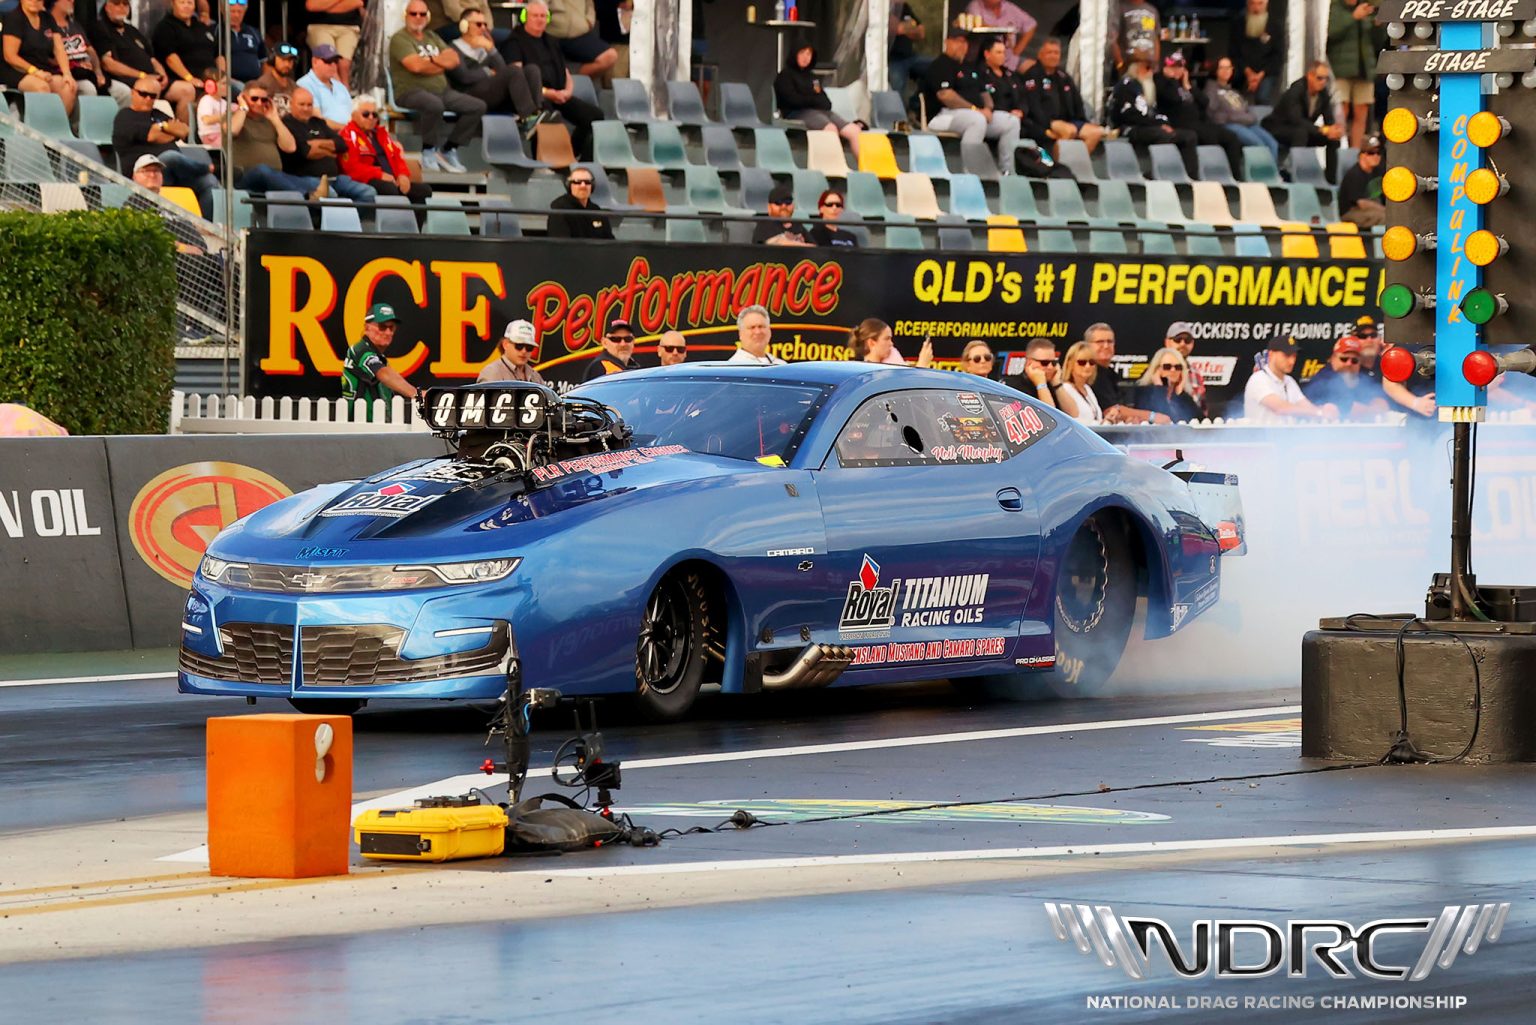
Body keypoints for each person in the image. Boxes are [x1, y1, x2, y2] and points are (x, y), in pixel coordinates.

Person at [390, 0, 486, 172]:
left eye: (422, 14)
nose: (418, 18)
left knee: (477, 106)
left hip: (442, 90)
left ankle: (449, 148)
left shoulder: (432, 36)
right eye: (414, 14)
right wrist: (440, 64)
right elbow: (415, 66)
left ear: (428, 16)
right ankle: (428, 150)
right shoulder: (400, 39)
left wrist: (431, 61)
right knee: (434, 105)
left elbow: (454, 60)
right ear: (405, 16)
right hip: (410, 91)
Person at [505, 1, 603, 161]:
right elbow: (517, 76)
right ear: (525, 17)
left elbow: (565, 72)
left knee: (594, 115)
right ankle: (542, 161)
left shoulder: (551, 40)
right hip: (533, 96)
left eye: (543, 16)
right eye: (535, 16)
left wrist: (567, 91)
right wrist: (547, 93)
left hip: (558, 93)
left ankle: (575, 157)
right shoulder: (514, 41)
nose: (540, 19)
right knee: (545, 116)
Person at [111, 75, 218, 215]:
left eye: (152, 96)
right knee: (170, 156)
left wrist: (162, 128)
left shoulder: (158, 114)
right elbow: (151, 135)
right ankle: (208, 168)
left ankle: (207, 227)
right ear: (133, 92)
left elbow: (184, 130)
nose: (148, 99)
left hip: (174, 172)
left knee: (209, 181)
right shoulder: (125, 116)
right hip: (145, 172)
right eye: (143, 94)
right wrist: (168, 129)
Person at [920, 28, 1020, 168]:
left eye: (965, 42)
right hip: (942, 115)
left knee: (1011, 122)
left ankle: (1007, 171)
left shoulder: (969, 67)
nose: (962, 45)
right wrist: (975, 109)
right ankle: (971, 170)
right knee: (976, 120)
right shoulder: (941, 64)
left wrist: (987, 108)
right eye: (958, 41)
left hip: (974, 113)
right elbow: (946, 96)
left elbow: (984, 92)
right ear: (947, 42)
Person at [1109, 40, 1197, 177]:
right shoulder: (1125, 86)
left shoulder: (1146, 86)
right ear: (1137, 67)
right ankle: (1157, 172)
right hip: (1129, 127)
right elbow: (1130, 115)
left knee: (1189, 136)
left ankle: (1189, 176)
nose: (1151, 72)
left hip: (1149, 125)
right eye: (1147, 67)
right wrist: (1158, 125)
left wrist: (1163, 122)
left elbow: (1154, 111)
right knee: (1162, 134)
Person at [449, 10, 547, 133]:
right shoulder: (454, 48)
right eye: (479, 24)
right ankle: (528, 117)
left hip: (492, 92)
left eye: (485, 24)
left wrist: (491, 50)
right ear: (464, 26)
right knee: (513, 70)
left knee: (532, 69)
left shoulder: (485, 46)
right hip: (470, 94)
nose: (483, 28)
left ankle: (537, 113)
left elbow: (501, 70)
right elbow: (465, 77)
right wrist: (488, 72)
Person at [229, 82, 331, 199]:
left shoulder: (270, 122)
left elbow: (290, 147)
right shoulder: (232, 116)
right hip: (244, 177)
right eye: (254, 99)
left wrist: (275, 118)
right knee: (263, 170)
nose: (259, 103)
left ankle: (325, 203)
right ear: (243, 98)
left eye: (264, 100)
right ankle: (306, 197)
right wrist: (242, 107)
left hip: (275, 175)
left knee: (314, 182)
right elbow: (233, 130)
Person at [1155, 51, 1243, 177]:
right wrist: (1172, 80)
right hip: (1180, 123)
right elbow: (1173, 98)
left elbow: (1204, 102)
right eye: (1173, 67)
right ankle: (1213, 176)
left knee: (1231, 137)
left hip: (1199, 122)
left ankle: (1236, 178)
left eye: (1180, 67)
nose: (1177, 70)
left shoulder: (1185, 83)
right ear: (1166, 67)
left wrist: (1188, 86)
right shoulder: (1160, 81)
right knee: (1211, 138)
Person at [282, 87, 376, 202]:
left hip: (335, 178)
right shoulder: (287, 124)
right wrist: (330, 149)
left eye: (309, 105)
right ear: (291, 104)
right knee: (331, 195)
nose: (306, 108)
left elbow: (342, 144)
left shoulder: (318, 122)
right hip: (307, 178)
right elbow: (305, 151)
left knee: (369, 192)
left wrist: (317, 144)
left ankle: (349, 219)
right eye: (301, 105)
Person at [338, 95, 433, 208]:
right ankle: (391, 224)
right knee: (389, 189)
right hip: (367, 179)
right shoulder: (348, 135)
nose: (371, 117)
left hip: (391, 179)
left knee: (424, 190)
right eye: (366, 114)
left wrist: (403, 175)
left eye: (375, 114)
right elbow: (351, 168)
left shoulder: (381, 134)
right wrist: (379, 174)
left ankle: (414, 226)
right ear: (353, 115)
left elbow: (397, 157)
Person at [94, 0, 185, 111]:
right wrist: (142, 76)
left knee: (186, 90)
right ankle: (151, 125)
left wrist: (162, 74)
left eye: (125, 4)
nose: (122, 7)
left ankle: (181, 126)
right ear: (107, 7)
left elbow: (152, 59)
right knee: (152, 87)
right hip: (128, 79)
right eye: (117, 4)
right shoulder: (101, 29)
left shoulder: (132, 30)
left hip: (152, 77)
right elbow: (108, 64)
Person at [1019, 36, 1104, 155]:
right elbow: (1033, 107)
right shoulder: (1032, 76)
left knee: (1096, 132)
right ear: (1040, 55)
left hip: (1069, 121)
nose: (1053, 56)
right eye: (1049, 52)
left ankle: (1078, 163)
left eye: (1056, 53)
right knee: (1069, 131)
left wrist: (1083, 121)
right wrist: (1048, 124)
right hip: (1044, 122)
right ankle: (1057, 166)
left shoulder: (1063, 76)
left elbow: (1077, 102)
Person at [1263, 61, 1344, 183]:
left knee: (1333, 139)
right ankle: (1294, 174)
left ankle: (1331, 180)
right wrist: (1322, 130)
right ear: (1310, 76)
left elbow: (1329, 119)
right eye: (1319, 78)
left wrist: (1333, 130)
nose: (1323, 82)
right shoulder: (1296, 90)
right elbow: (1296, 119)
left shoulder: (1323, 94)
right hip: (1277, 127)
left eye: (1326, 79)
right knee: (1301, 133)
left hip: (1303, 129)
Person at [774, 45, 861, 158]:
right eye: (802, 53)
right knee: (830, 129)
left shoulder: (813, 78)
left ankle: (866, 170)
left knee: (855, 130)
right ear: (795, 54)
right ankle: (835, 170)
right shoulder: (785, 76)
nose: (806, 57)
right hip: (798, 113)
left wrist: (809, 99)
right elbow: (793, 100)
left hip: (821, 111)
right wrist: (812, 99)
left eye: (808, 54)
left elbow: (826, 102)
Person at [1, 0, 78, 115]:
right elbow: (10, 56)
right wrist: (34, 71)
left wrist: (67, 74)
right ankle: (39, 128)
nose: (33, 1)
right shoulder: (14, 18)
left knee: (68, 87)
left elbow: (59, 49)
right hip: (15, 69)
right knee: (41, 87)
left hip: (41, 66)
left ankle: (57, 126)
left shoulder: (47, 18)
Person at [1084, 322, 1168, 424]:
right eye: (1100, 342)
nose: (1106, 346)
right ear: (1087, 346)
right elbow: (1111, 409)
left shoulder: (1111, 373)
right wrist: (1152, 416)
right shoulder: (1090, 372)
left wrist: (1131, 417)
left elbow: (1119, 410)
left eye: (1109, 341)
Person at [1243, 336, 1339, 422]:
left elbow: (1307, 407)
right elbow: (1281, 408)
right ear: (1271, 354)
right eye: (1287, 355)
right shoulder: (1258, 379)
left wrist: (1324, 410)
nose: (1292, 361)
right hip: (1259, 440)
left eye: (1294, 356)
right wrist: (1319, 413)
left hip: (1285, 439)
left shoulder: (1289, 381)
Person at [151, 0, 219, 118]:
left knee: (237, 89)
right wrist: (189, 77)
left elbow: (219, 54)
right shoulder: (165, 27)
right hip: (181, 78)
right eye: (182, 2)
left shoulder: (201, 26)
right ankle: (186, 134)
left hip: (212, 78)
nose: (186, 6)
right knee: (191, 90)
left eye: (190, 3)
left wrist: (222, 75)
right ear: (173, 4)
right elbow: (170, 57)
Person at [1204, 56, 1280, 161]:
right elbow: (1211, 110)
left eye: (1229, 67)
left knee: (1273, 144)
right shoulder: (1211, 89)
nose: (1226, 71)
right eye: (1222, 68)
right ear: (1215, 70)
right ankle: (1262, 174)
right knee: (1258, 144)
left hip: (1247, 123)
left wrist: (1249, 118)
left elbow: (1245, 108)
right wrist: (1229, 118)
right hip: (1230, 124)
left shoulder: (1234, 91)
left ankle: (1273, 174)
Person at [977, 38, 1046, 151]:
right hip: (993, 117)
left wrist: (1021, 111)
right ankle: (1008, 166)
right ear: (987, 54)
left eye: (1004, 52)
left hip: (1018, 117)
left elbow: (1023, 96)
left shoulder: (1010, 75)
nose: (1002, 56)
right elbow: (982, 99)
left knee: (1040, 131)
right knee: (1011, 123)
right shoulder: (980, 74)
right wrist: (1008, 113)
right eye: (998, 52)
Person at [343, 302, 420, 402]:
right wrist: (417, 394)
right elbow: (383, 373)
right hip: (360, 417)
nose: (388, 332)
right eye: (382, 327)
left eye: (391, 327)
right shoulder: (360, 350)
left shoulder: (380, 358)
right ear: (367, 328)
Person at [1327, 0, 1377, 150]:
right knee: (1341, 111)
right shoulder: (1335, 7)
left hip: (1364, 70)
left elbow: (1377, 42)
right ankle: (1339, 149)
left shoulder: (1365, 7)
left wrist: (1378, 26)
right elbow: (1330, 33)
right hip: (1341, 69)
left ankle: (1354, 153)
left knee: (1361, 113)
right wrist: (1353, 17)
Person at [1303, 335, 1389, 420]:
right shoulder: (1324, 378)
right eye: (1344, 359)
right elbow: (1348, 409)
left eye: (1354, 360)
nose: (1349, 364)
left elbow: (1382, 403)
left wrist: (1371, 409)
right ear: (1333, 358)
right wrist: (1372, 410)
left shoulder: (1362, 375)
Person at [51, 0, 114, 101]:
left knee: (122, 91)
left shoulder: (75, 25)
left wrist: (98, 71)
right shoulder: (46, 25)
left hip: (88, 72)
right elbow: (45, 58)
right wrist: (76, 64)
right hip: (66, 74)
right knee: (89, 89)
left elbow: (91, 51)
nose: (72, 1)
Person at [546, 0, 616, 82]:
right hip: (550, 34)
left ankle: (572, 82)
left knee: (610, 56)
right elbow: (537, 6)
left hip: (579, 34)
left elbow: (589, 4)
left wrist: (589, 21)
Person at [1230, 0, 1282, 105]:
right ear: (1247, 4)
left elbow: (1277, 55)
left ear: (1266, 4)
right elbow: (1233, 53)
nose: (1256, 8)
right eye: (1252, 3)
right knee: (1234, 98)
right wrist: (1249, 73)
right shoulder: (1238, 24)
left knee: (1262, 98)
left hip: (1266, 71)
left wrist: (1259, 76)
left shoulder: (1275, 25)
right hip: (1242, 69)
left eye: (1260, 3)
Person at [305, 0, 364, 87]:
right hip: (320, 26)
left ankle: (344, 97)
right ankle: (335, 96)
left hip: (349, 27)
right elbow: (312, 5)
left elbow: (358, 3)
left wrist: (325, 6)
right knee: (330, 64)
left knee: (344, 65)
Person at [962, 0, 1035, 69]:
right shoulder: (975, 5)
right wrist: (1001, 30)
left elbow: (1031, 25)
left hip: (1009, 60)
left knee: (1034, 68)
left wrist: (1016, 52)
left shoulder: (1009, 7)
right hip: (984, 60)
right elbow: (978, 24)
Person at [1136, 347, 1203, 422]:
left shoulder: (1184, 397)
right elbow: (1162, 418)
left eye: (1178, 367)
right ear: (1157, 369)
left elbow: (1200, 421)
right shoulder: (1144, 393)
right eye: (1167, 367)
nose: (1173, 370)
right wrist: (1159, 389)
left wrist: (1180, 393)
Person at [296, 43, 353, 129]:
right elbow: (318, 121)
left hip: (349, 135)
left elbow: (353, 113)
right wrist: (348, 130)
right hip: (325, 135)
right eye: (328, 61)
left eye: (335, 61)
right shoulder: (304, 84)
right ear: (314, 62)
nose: (333, 65)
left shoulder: (340, 86)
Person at [547, 165, 614, 238]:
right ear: (569, 186)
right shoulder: (559, 208)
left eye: (587, 182)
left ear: (592, 186)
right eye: (577, 182)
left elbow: (610, 242)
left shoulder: (597, 211)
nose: (583, 186)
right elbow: (561, 245)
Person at [1019, 337, 1078, 415]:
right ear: (1029, 363)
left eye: (1053, 362)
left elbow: (1073, 414)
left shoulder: (1050, 384)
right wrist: (1041, 385)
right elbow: (1051, 415)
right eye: (1045, 363)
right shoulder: (1015, 386)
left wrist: (1057, 384)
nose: (1050, 367)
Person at [478, 319, 548, 384]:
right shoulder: (491, 373)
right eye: (519, 346)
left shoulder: (535, 376)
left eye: (529, 347)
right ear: (505, 344)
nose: (524, 351)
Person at [1163, 321, 1209, 418]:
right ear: (1167, 342)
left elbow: (1201, 414)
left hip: (1189, 429)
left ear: (1192, 343)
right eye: (1178, 339)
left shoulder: (1196, 374)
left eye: (1187, 340)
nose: (1182, 344)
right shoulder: (1156, 370)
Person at [1338, 134, 1384, 227]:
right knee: (1386, 218)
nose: (1376, 156)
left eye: (1378, 152)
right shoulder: (1354, 174)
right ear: (1362, 155)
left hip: (1373, 209)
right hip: (1351, 212)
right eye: (1371, 153)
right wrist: (1384, 209)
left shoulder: (1379, 171)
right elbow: (1361, 203)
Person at [849, 318, 933, 367]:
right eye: (887, 339)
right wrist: (922, 365)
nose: (891, 344)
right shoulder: (869, 375)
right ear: (871, 343)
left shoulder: (891, 361)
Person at [888, 0, 929, 97]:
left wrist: (905, 28)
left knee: (936, 67)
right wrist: (911, 26)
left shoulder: (905, 7)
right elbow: (896, 28)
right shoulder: (885, 8)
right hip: (893, 59)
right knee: (897, 91)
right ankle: (898, 110)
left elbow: (921, 32)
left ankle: (916, 103)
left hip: (910, 56)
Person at [1058, 340, 1102, 424]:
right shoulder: (1065, 389)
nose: (1087, 366)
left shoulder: (1087, 388)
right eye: (1082, 362)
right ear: (1070, 363)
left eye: (1092, 362)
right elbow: (1075, 420)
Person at [250, 42, 299, 117]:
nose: (287, 64)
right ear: (272, 59)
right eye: (283, 60)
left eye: (290, 61)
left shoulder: (293, 86)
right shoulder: (264, 83)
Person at [1114, 0, 1160, 71]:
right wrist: (1120, 65)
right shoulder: (1119, 8)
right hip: (1129, 65)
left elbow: (1155, 38)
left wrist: (1155, 63)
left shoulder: (1152, 10)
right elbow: (1113, 39)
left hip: (1149, 67)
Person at [227, 0, 265, 84]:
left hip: (254, 82)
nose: (236, 15)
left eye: (240, 12)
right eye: (232, 11)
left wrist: (263, 81)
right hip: (230, 82)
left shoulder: (254, 32)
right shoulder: (218, 31)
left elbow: (264, 60)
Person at [195, 66, 228, 147]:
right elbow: (206, 120)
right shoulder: (206, 100)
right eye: (224, 83)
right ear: (211, 85)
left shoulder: (224, 102)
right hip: (210, 136)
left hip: (222, 135)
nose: (227, 86)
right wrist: (227, 116)